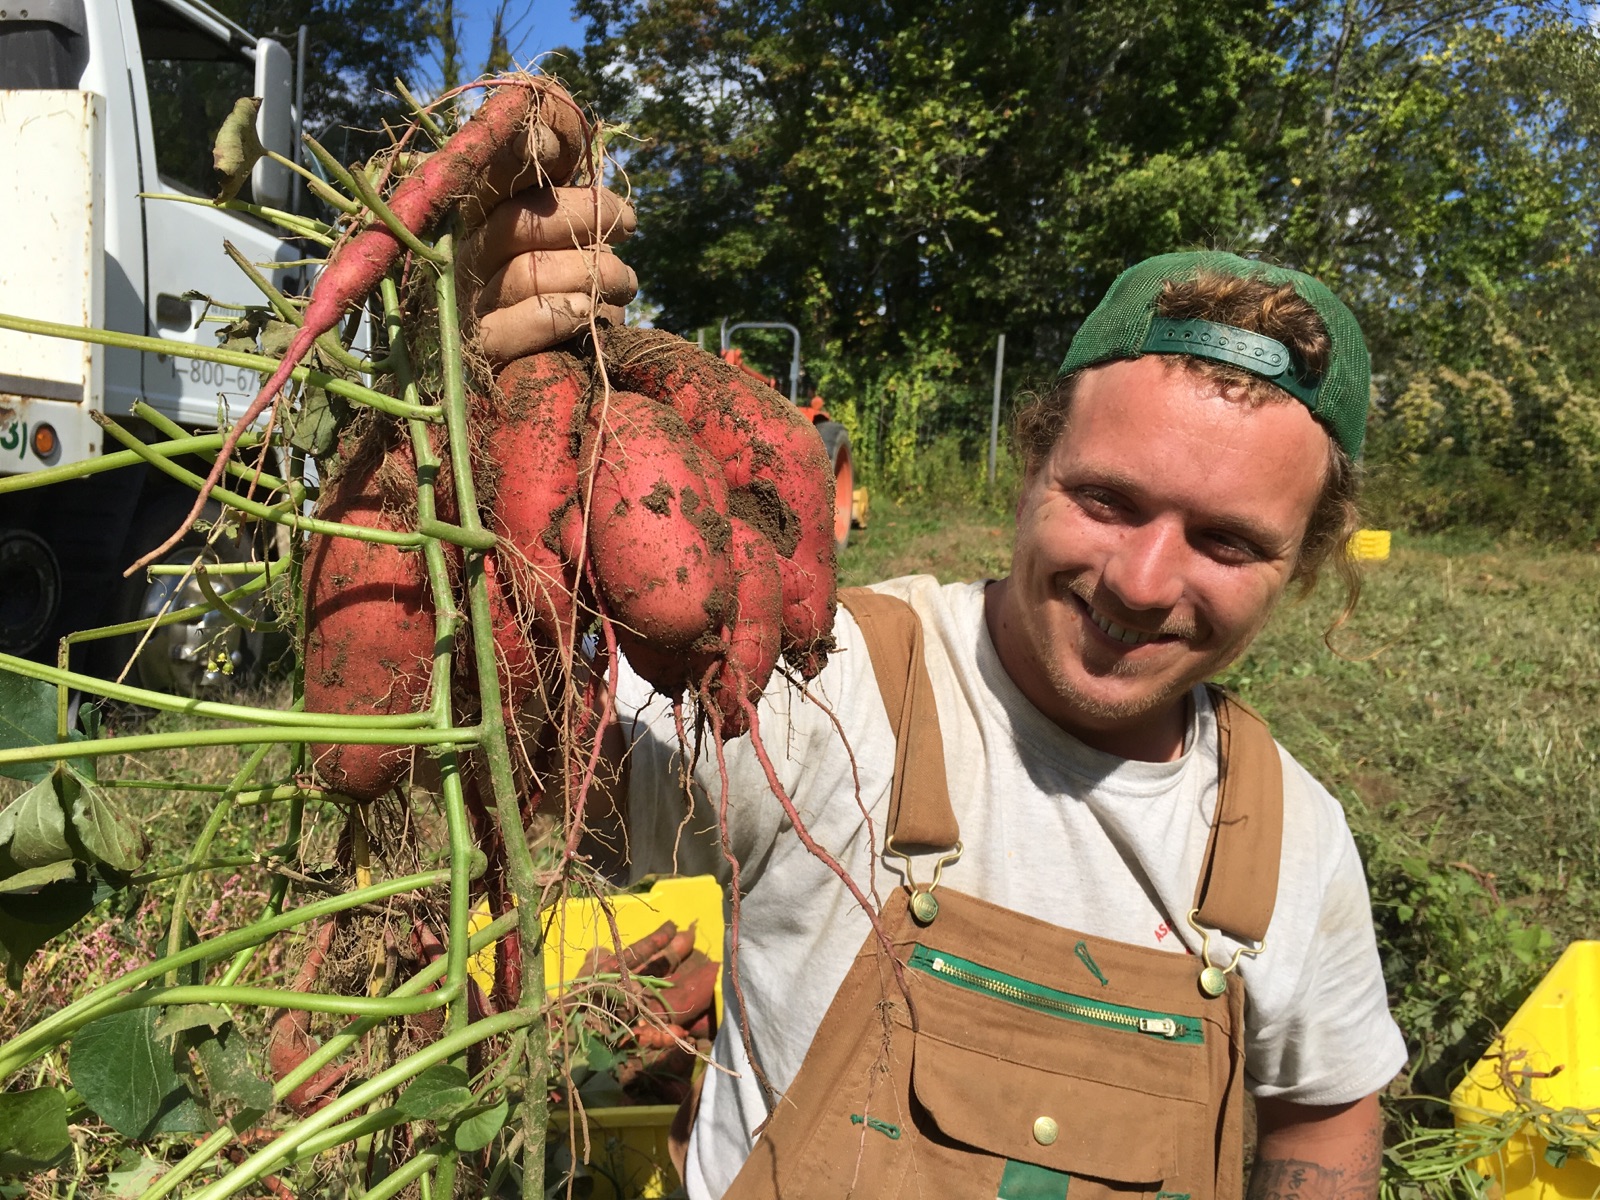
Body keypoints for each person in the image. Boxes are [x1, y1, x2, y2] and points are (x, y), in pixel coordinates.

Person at [467, 182, 1406, 1200]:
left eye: (1224, 541)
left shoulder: (1290, 837)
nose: (1140, 584)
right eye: (1105, 500)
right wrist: (471, 414)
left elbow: (1325, 1107)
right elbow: (522, 775)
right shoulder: (833, 687)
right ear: (1031, 464)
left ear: (1304, 562)